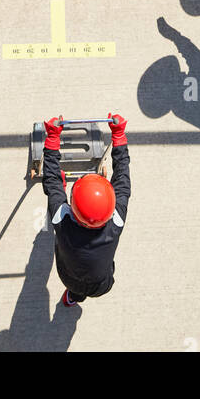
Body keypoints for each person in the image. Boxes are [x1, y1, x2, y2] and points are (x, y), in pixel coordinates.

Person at [42, 113, 131, 307]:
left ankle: (73, 296)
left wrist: (52, 138)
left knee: (76, 284)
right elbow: (123, 180)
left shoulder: (61, 219)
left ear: (72, 207)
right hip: (101, 284)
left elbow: (52, 182)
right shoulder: (116, 221)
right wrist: (118, 136)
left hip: (69, 277)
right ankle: (75, 297)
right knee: (87, 282)